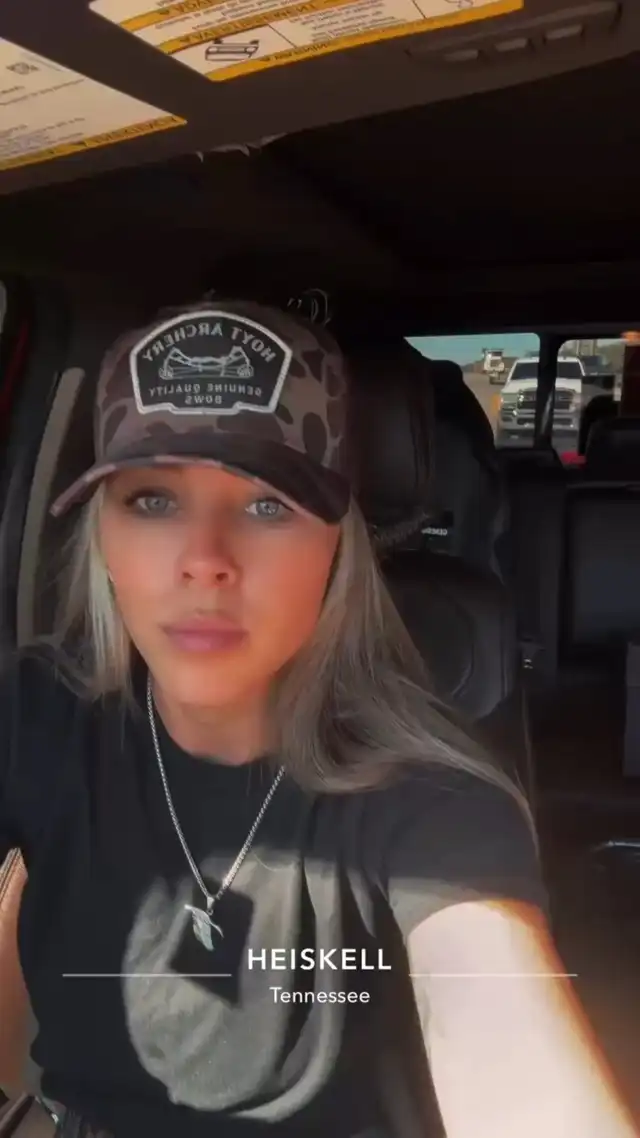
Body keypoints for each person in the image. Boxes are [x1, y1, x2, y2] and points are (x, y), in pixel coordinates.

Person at [0, 299, 636, 1138]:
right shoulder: (38, 712)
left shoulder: (430, 798)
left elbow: (501, 1025)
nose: (204, 562)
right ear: (102, 539)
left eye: (267, 505)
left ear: (337, 544)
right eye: (152, 500)